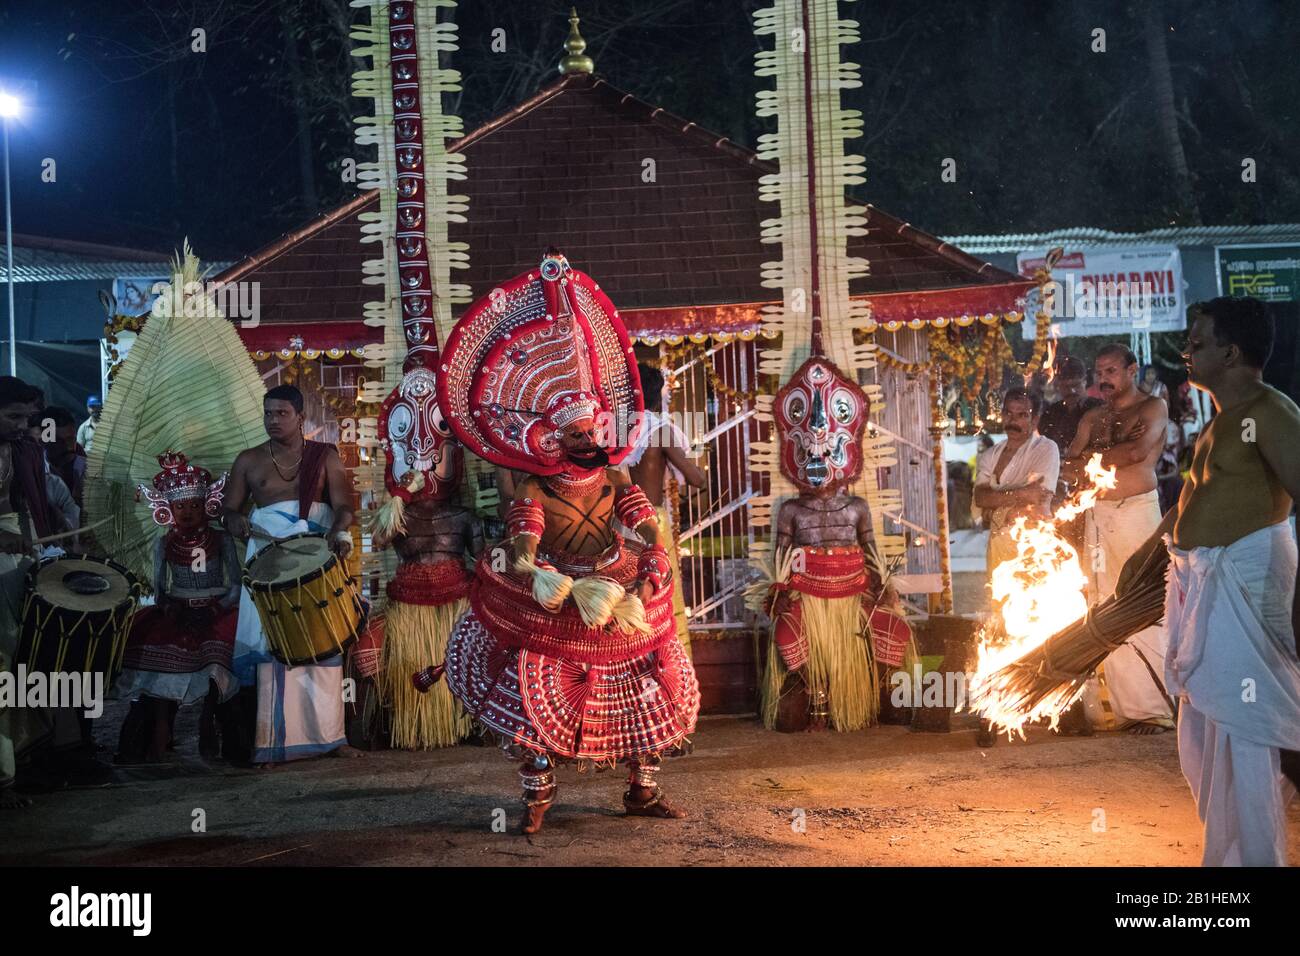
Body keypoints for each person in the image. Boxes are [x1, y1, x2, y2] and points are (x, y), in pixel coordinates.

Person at [428, 252, 699, 835]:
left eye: (596, 430)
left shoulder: (617, 476)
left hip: (618, 583)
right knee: (533, 697)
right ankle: (537, 797)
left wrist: (654, 556)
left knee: (651, 685)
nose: (591, 439)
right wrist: (535, 572)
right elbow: (524, 542)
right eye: (578, 433)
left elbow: (646, 523)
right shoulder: (534, 483)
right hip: (559, 592)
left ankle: (641, 790)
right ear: (554, 437)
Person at [1117, 296, 1300, 866]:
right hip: (1209, 589)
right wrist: (1146, 555)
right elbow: (1192, 502)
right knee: (1221, 721)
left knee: (1253, 719)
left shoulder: (1269, 412)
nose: (1186, 352)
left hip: (1250, 582)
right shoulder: (1222, 421)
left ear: (1232, 351)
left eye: (1196, 343)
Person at [755, 356, 909, 733]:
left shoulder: (857, 507)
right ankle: (815, 692)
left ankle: (874, 693)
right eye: (810, 456)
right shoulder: (791, 509)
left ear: (843, 457)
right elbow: (781, 558)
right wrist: (779, 591)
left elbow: (871, 552)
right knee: (787, 633)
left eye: (826, 456)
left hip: (854, 594)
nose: (818, 463)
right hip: (807, 596)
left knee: (894, 628)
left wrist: (883, 586)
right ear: (797, 458)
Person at [222, 384, 360, 766]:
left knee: (323, 642)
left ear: (301, 418)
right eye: (268, 413)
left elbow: (345, 505)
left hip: (313, 558)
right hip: (268, 559)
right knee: (273, 645)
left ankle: (333, 738)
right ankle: (270, 744)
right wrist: (236, 523)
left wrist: (338, 530)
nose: (273, 420)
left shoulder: (325, 456)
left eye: (282, 413)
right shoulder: (248, 460)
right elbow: (229, 510)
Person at [1063, 345, 1174, 735]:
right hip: (1098, 515)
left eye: (1111, 370)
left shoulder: (1153, 408)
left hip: (1138, 514)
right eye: (1099, 372)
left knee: (1143, 603)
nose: (1103, 379)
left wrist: (1095, 454)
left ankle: (1152, 710)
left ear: (1131, 369)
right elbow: (1072, 463)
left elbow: (1138, 453)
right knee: (1101, 603)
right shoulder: (1093, 415)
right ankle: (1114, 710)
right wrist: (1109, 453)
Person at [370, 363, 483, 750]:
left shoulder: (464, 517)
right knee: (410, 669)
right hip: (408, 609)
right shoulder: (398, 515)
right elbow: (379, 541)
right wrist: (399, 498)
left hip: (457, 606)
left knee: (460, 660)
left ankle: (463, 723)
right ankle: (418, 728)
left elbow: (484, 564)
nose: (424, 454)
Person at [114, 452, 242, 763]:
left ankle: (211, 720)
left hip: (219, 609)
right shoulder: (164, 544)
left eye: (195, 505)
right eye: (180, 506)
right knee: (156, 675)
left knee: (219, 666)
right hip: (177, 610)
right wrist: (171, 608)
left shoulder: (222, 541)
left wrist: (215, 609)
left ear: (208, 506)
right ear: (167, 510)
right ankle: (158, 735)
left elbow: (236, 585)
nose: (188, 512)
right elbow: (159, 591)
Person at [624, 362, 707, 654]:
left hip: (615, 524)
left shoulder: (612, 429)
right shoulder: (659, 430)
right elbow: (696, 480)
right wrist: (698, 469)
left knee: (625, 594)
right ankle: (666, 661)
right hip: (651, 522)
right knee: (660, 594)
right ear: (657, 396)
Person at [973, 388, 1059, 574]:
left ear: (1034, 419)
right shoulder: (991, 455)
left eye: (1022, 415)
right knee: (999, 600)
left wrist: (996, 504)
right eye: (1008, 413)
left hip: (1033, 541)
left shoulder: (1046, 448)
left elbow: (1036, 498)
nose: (1013, 421)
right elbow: (980, 498)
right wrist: (1021, 494)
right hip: (998, 542)